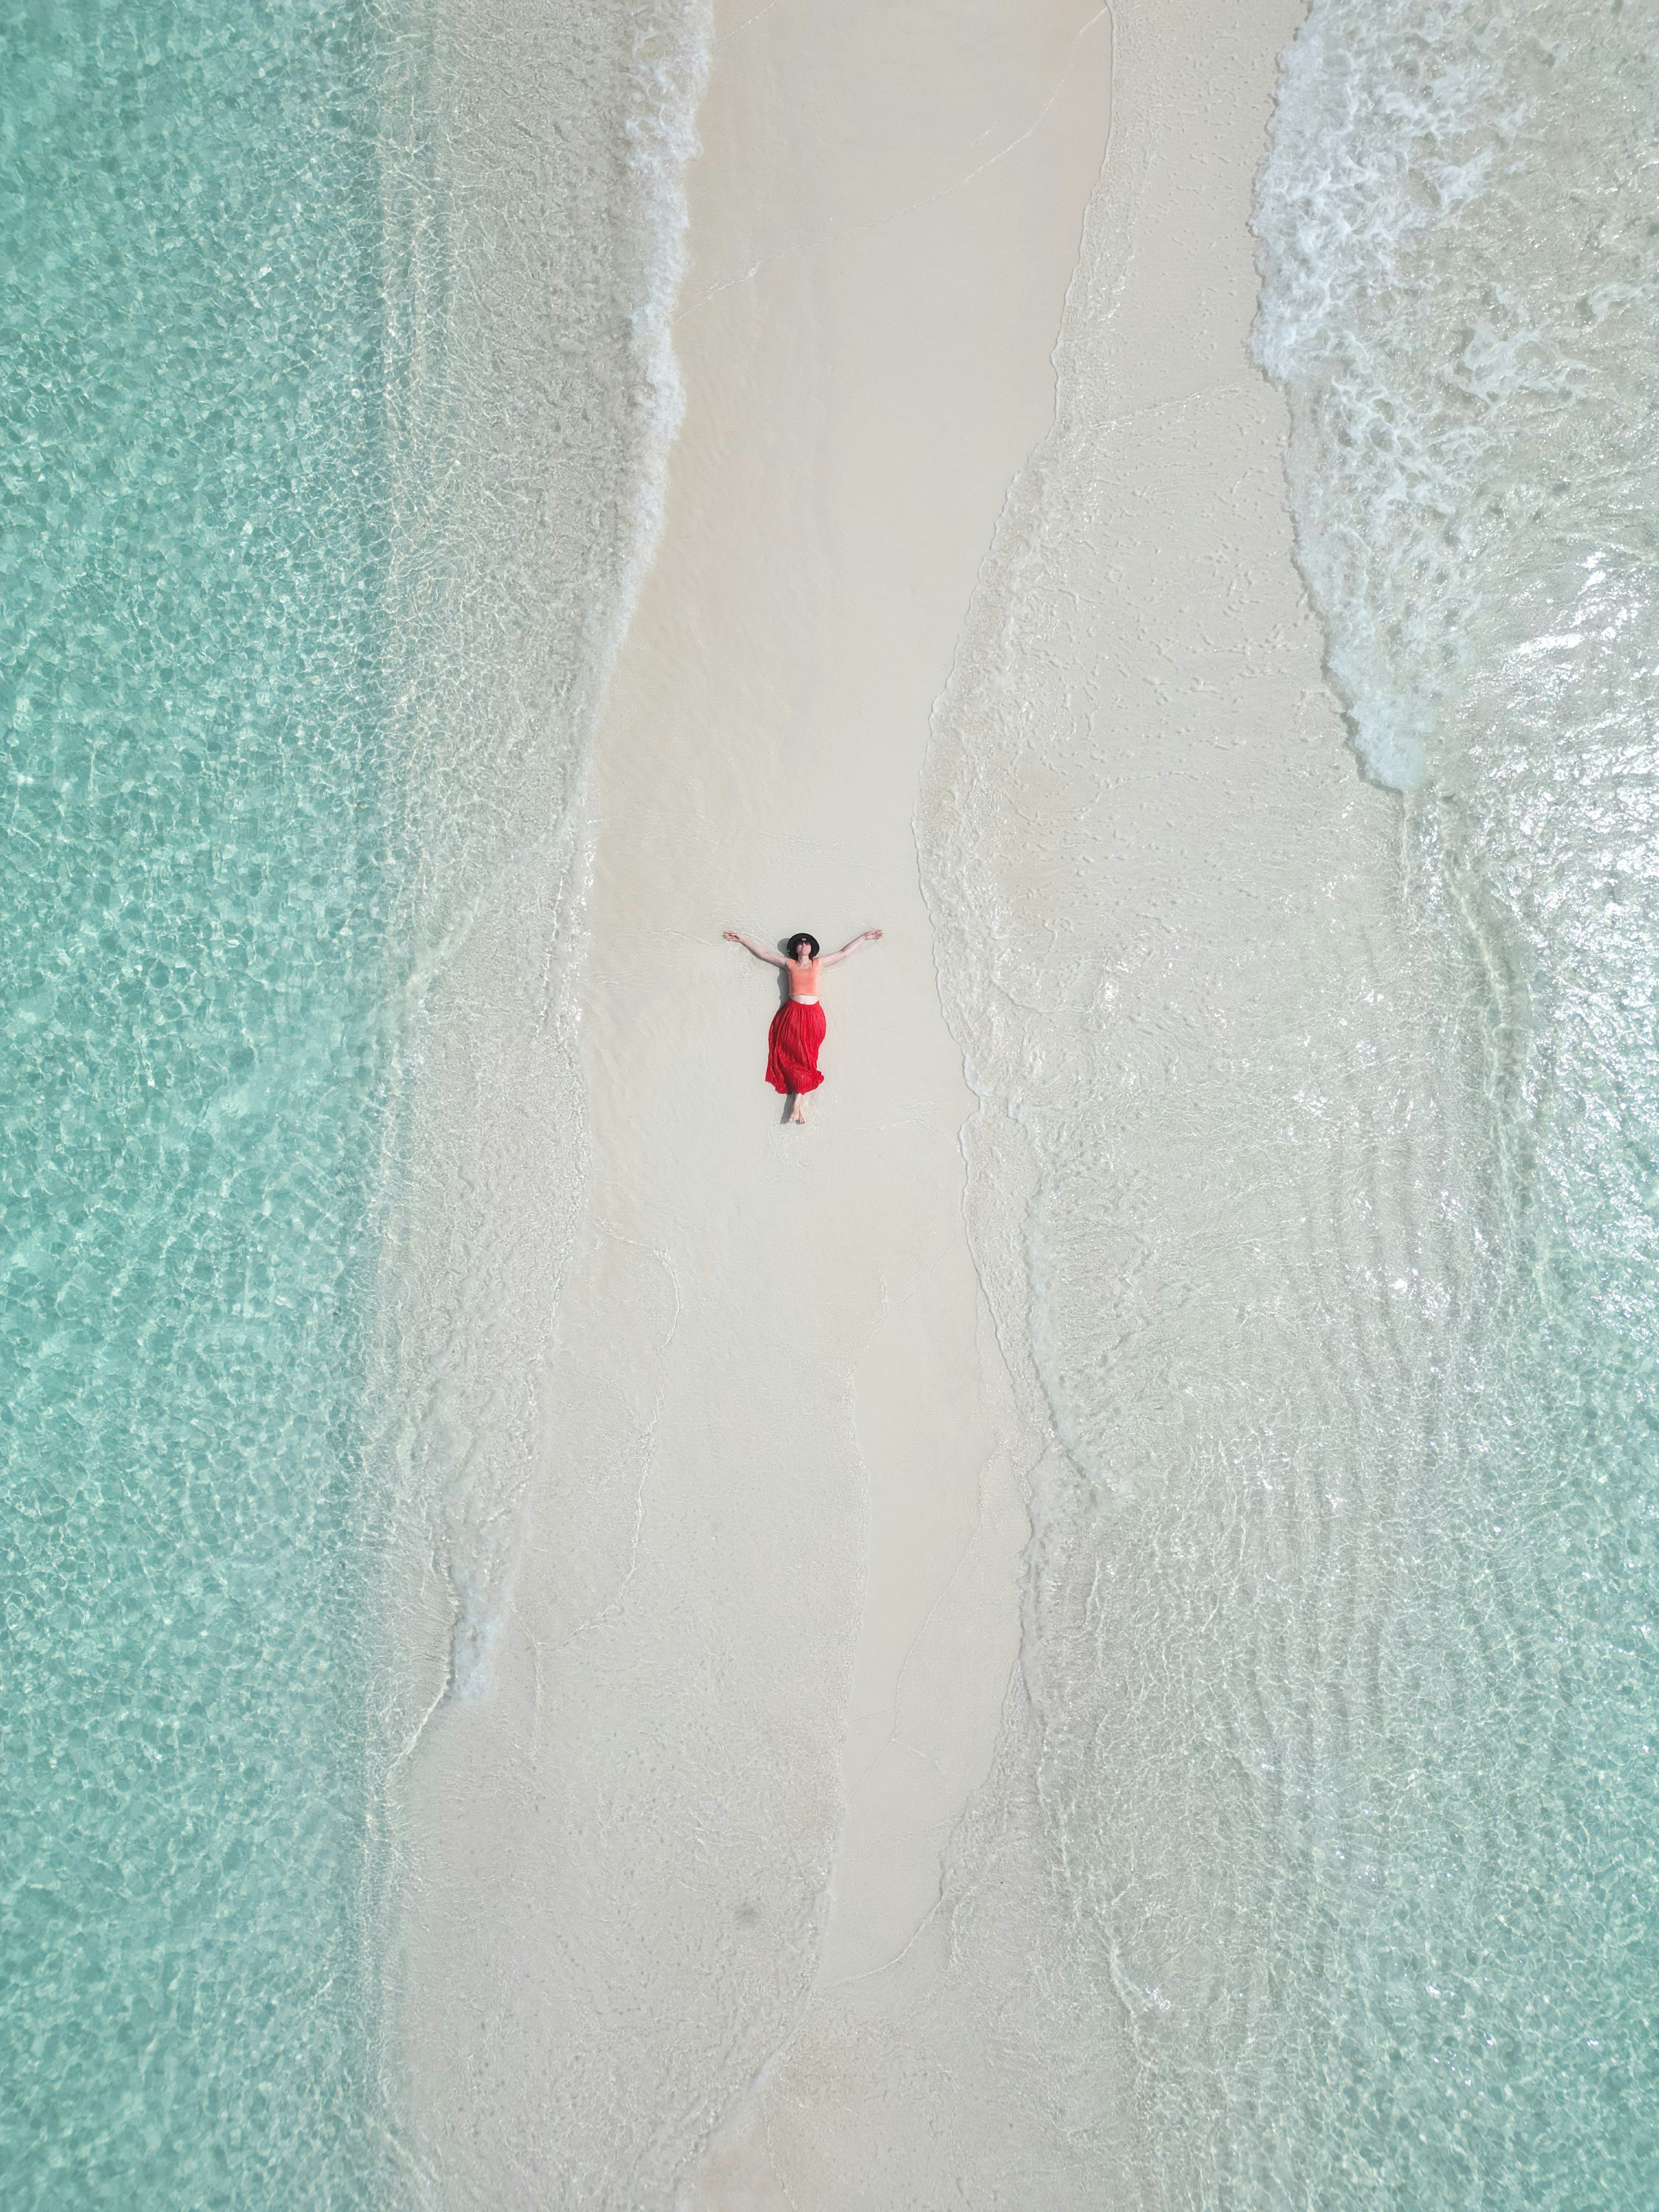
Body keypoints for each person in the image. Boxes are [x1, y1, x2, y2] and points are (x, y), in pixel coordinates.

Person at [723, 926, 883, 1122]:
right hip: (793, 1013)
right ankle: (798, 1098)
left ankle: (799, 1098)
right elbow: (764, 954)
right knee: (793, 1053)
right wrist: (742, 939)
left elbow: (844, 953)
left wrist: (865, 937)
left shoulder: (819, 964)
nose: (804, 944)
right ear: (795, 949)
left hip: (814, 1014)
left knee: (809, 1055)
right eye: (800, 942)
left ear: (812, 948)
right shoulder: (789, 964)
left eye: (807, 942)